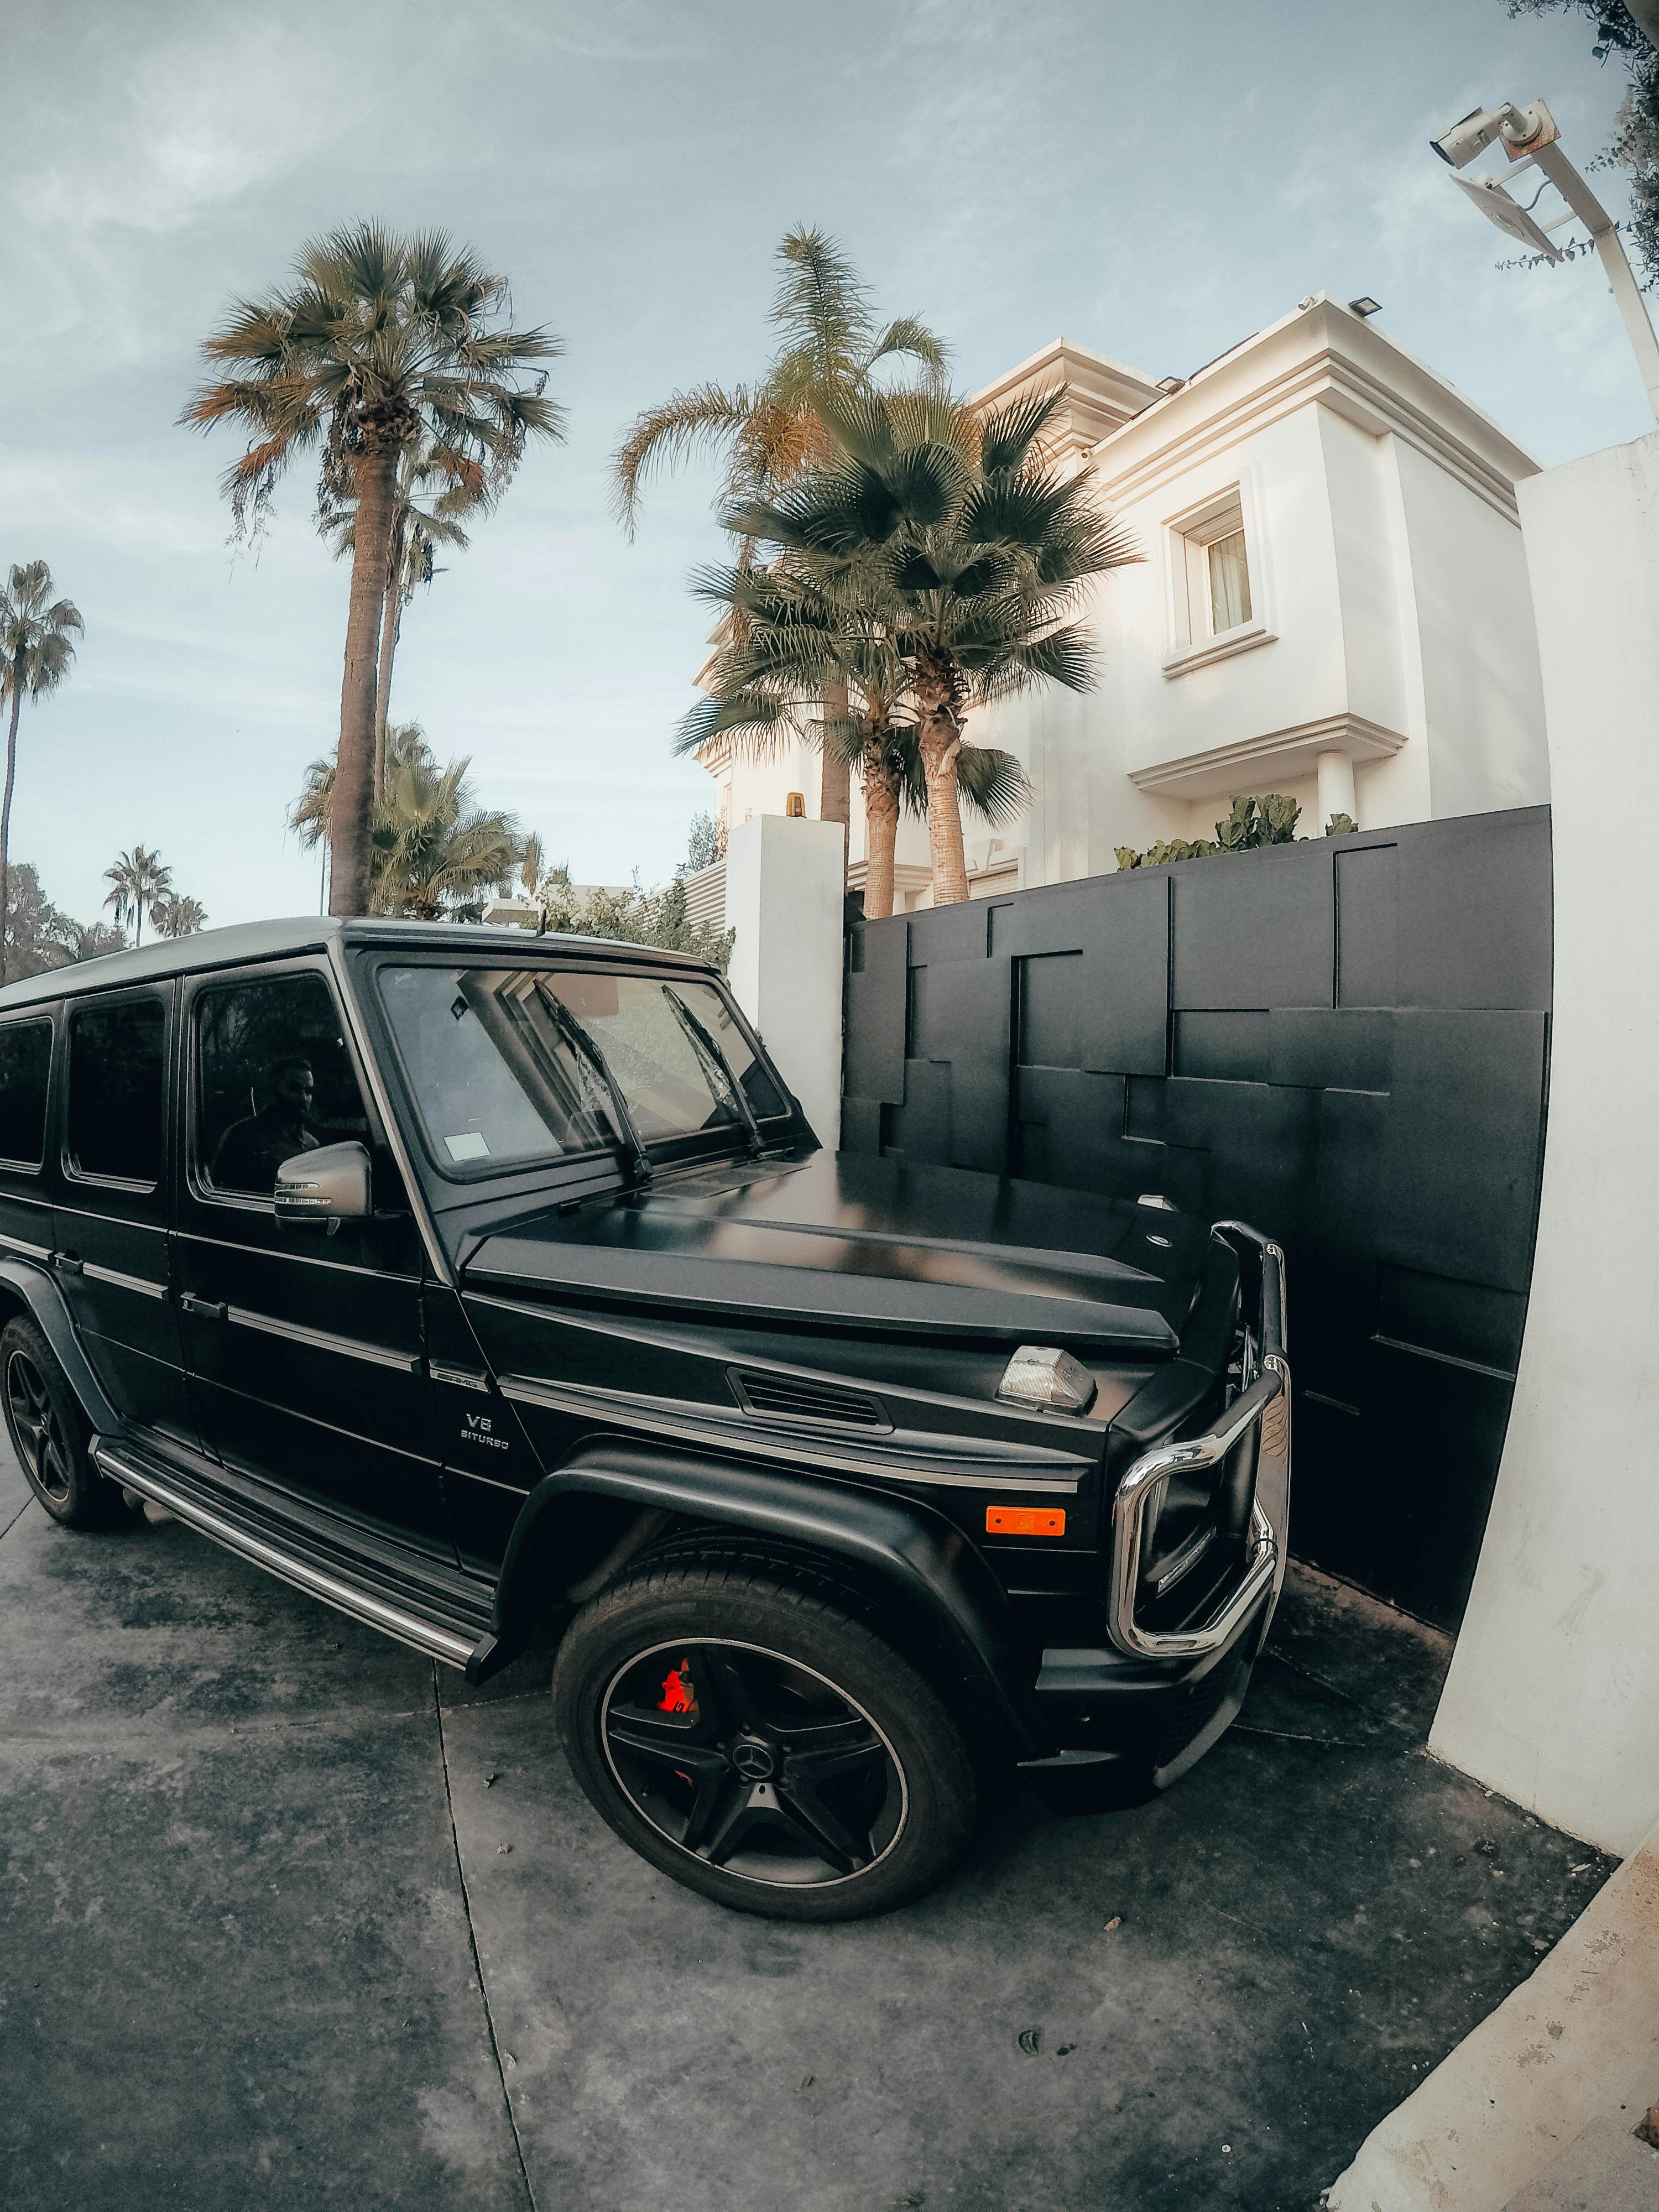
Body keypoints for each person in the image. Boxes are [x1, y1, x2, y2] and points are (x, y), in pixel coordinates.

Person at [209, 1053, 324, 1193]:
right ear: (274, 1092)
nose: (304, 1098)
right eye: (294, 1089)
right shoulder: (242, 1136)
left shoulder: (312, 1146)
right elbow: (218, 1193)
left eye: (309, 1091)